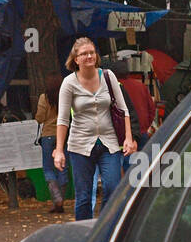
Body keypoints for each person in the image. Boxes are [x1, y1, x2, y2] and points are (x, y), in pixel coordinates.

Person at [53, 37, 136, 220]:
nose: (89, 56)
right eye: (84, 54)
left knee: (113, 188)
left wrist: (128, 138)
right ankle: (84, 235)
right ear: (76, 59)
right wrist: (59, 150)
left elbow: (123, 109)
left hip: (109, 143)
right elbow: (63, 119)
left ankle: (104, 230)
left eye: (91, 52)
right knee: (83, 196)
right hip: (80, 145)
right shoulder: (69, 83)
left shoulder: (108, 76)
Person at [34, 73, 68, 214]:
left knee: (49, 169)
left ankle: (57, 199)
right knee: (63, 168)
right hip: (64, 135)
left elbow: (40, 118)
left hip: (48, 136)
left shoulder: (44, 98)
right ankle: (60, 201)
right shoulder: (66, 96)